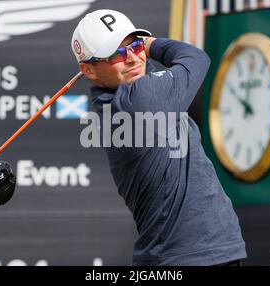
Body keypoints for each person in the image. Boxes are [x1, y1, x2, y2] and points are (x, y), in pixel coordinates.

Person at [71, 9, 246, 266]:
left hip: (196, 254)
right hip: (189, 259)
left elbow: (144, 71)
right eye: (117, 53)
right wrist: (150, 44)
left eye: (135, 45)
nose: (132, 58)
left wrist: (138, 49)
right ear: (89, 70)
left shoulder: (124, 96)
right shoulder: (139, 101)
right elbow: (195, 57)